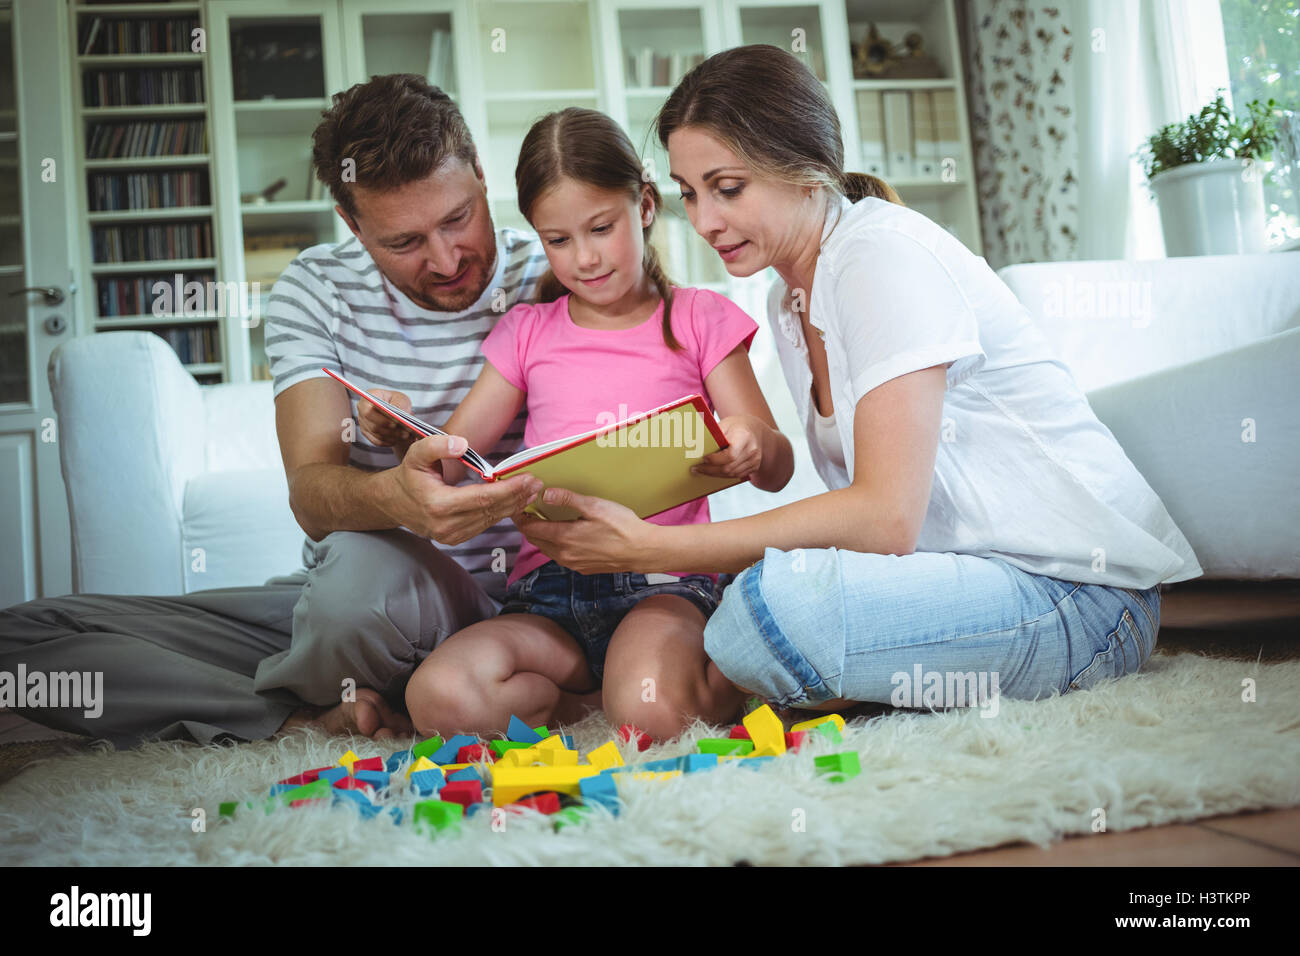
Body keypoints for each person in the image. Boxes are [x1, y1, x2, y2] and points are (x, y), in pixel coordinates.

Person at [513, 45, 1203, 715]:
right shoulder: (790, 301)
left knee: (771, 608)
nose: (703, 222)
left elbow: (885, 517)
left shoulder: (879, 256)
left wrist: (656, 548)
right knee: (769, 603)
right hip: (971, 583)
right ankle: (796, 684)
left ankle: (765, 683)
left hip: (1079, 595)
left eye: (728, 189)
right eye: (690, 195)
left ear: (806, 170)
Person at [0, 74, 560, 747]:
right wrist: (398, 499)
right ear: (352, 225)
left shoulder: (559, 264)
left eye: (457, 218)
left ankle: (328, 703)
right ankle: (299, 720)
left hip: (535, 608)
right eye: (403, 243)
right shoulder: (316, 287)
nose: (445, 260)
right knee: (22, 640)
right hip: (364, 615)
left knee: (352, 589)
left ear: (478, 173)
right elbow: (313, 496)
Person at [385, 108, 793, 740]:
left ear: (646, 206)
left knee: (652, 710)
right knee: (440, 696)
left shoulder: (698, 319)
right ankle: (596, 704)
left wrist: (751, 444)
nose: (585, 258)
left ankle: (704, 675)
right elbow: (455, 454)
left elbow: (776, 466)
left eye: (601, 228)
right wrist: (402, 432)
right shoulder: (527, 330)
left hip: (664, 583)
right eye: (558, 239)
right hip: (549, 594)